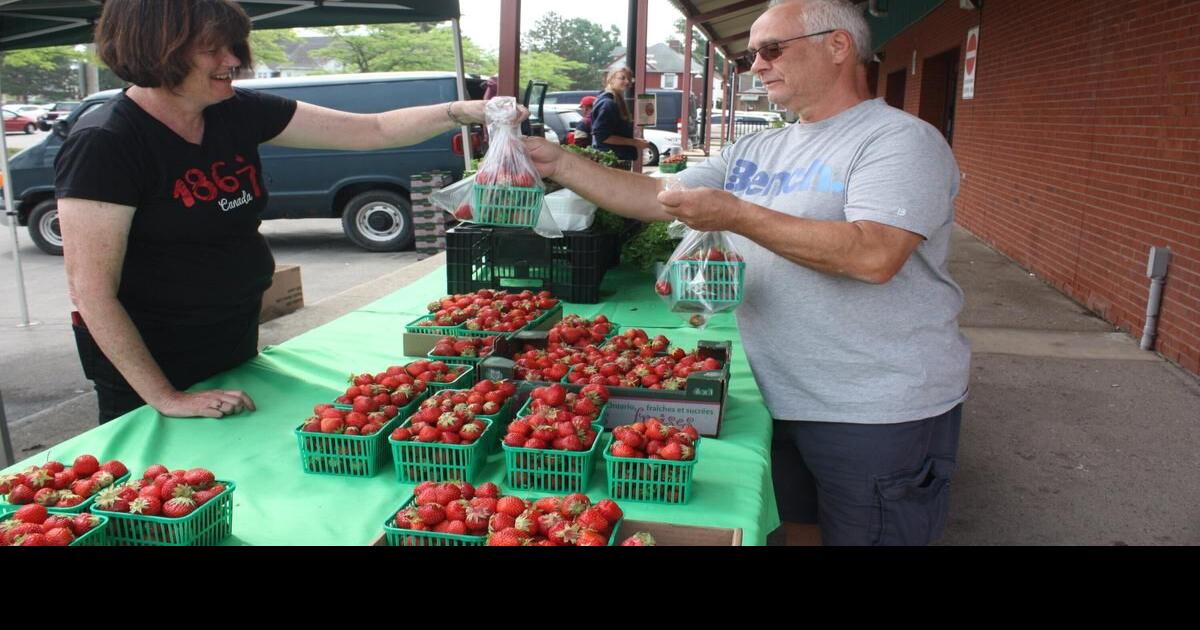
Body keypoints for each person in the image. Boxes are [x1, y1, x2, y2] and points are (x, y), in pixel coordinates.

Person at [524, 0, 969, 546]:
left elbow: (873, 255)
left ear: (838, 46)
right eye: (753, 53)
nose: (756, 65)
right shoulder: (758, 146)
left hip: (874, 407)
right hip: (773, 395)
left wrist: (737, 215)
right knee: (796, 529)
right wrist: (561, 164)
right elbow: (656, 197)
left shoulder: (898, 140)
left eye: (772, 49)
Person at [56, 0, 491, 423]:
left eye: (233, 45)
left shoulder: (237, 112)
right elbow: (91, 290)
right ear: (156, 49)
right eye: (212, 49)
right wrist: (166, 397)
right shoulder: (107, 141)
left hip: (231, 333)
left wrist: (459, 111)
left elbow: (370, 129)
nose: (233, 60)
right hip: (151, 363)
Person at [590, 67, 651, 162]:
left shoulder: (615, 101)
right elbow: (602, 137)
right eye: (622, 78)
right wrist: (634, 142)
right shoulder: (608, 103)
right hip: (609, 161)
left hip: (617, 160)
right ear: (610, 79)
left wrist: (635, 141)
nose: (627, 82)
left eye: (629, 79)